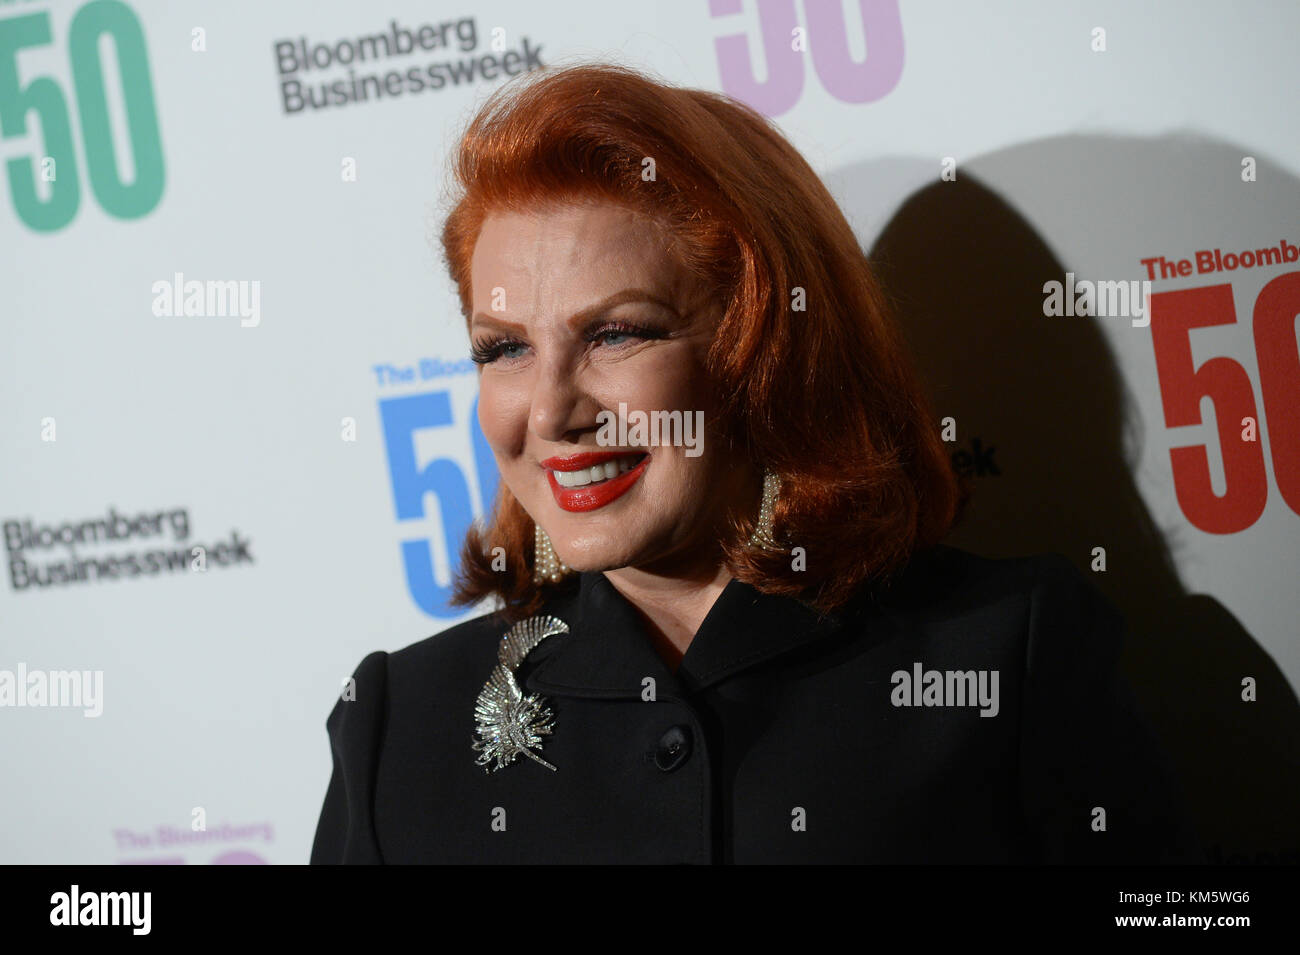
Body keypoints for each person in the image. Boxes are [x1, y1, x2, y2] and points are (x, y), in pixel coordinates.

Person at [310, 63, 1202, 864]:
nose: (550, 412)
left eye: (617, 332)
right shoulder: (402, 727)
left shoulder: (1010, 656)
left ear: (762, 350)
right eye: (502, 349)